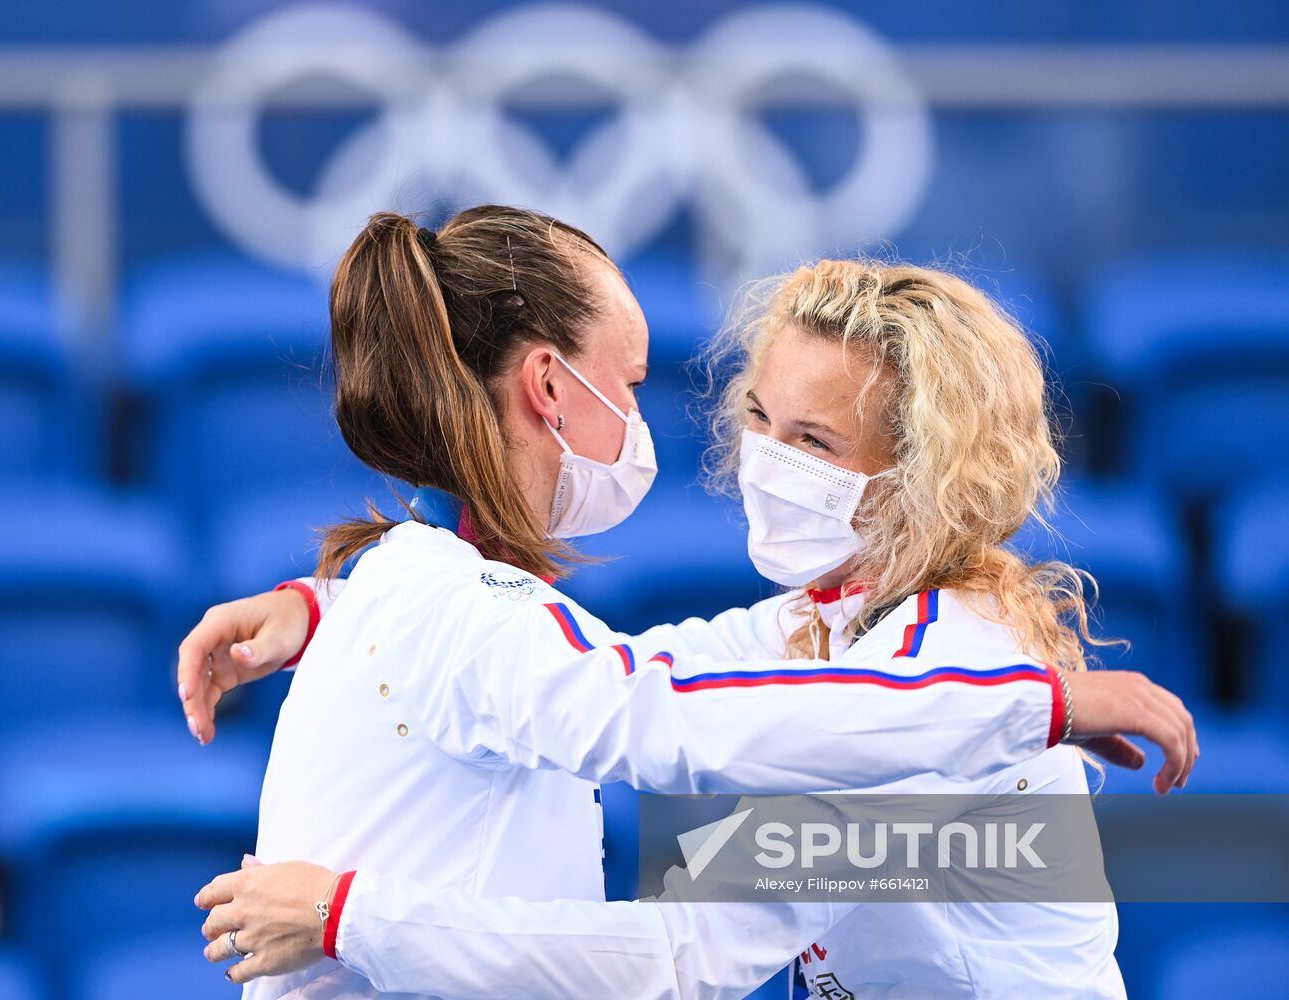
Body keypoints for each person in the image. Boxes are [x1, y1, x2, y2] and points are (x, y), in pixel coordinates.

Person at [181, 208, 1195, 997]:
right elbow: (629, 680)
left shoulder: (924, 704)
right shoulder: (815, 635)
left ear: (923, 478)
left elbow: (675, 955)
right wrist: (344, 613)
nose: (764, 459)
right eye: (760, 418)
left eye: (813, 442)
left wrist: (349, 915)